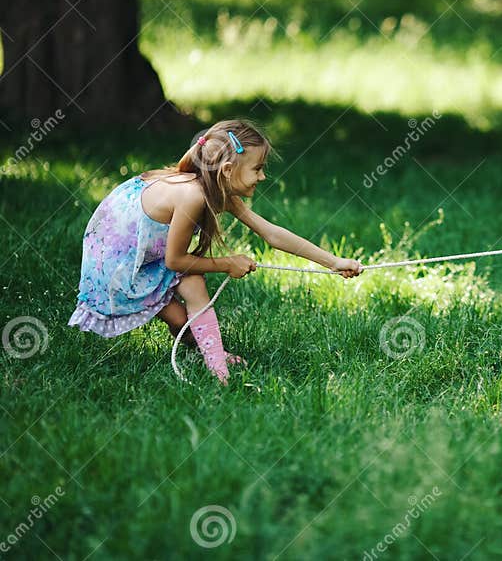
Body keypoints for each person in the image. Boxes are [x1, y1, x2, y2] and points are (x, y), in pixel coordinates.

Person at [68, 119, 362, 384]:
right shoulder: (193, 195)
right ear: (228, 170)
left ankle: (218, 368)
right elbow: (175, 259)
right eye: (258, 169)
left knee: (194, 288)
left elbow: (271, 234)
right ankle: (215, 362)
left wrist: (334, 262)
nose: (262, 177)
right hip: (121, 261)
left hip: (151, 251)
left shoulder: (218, 187)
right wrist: (227, 263)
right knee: (183, 321)